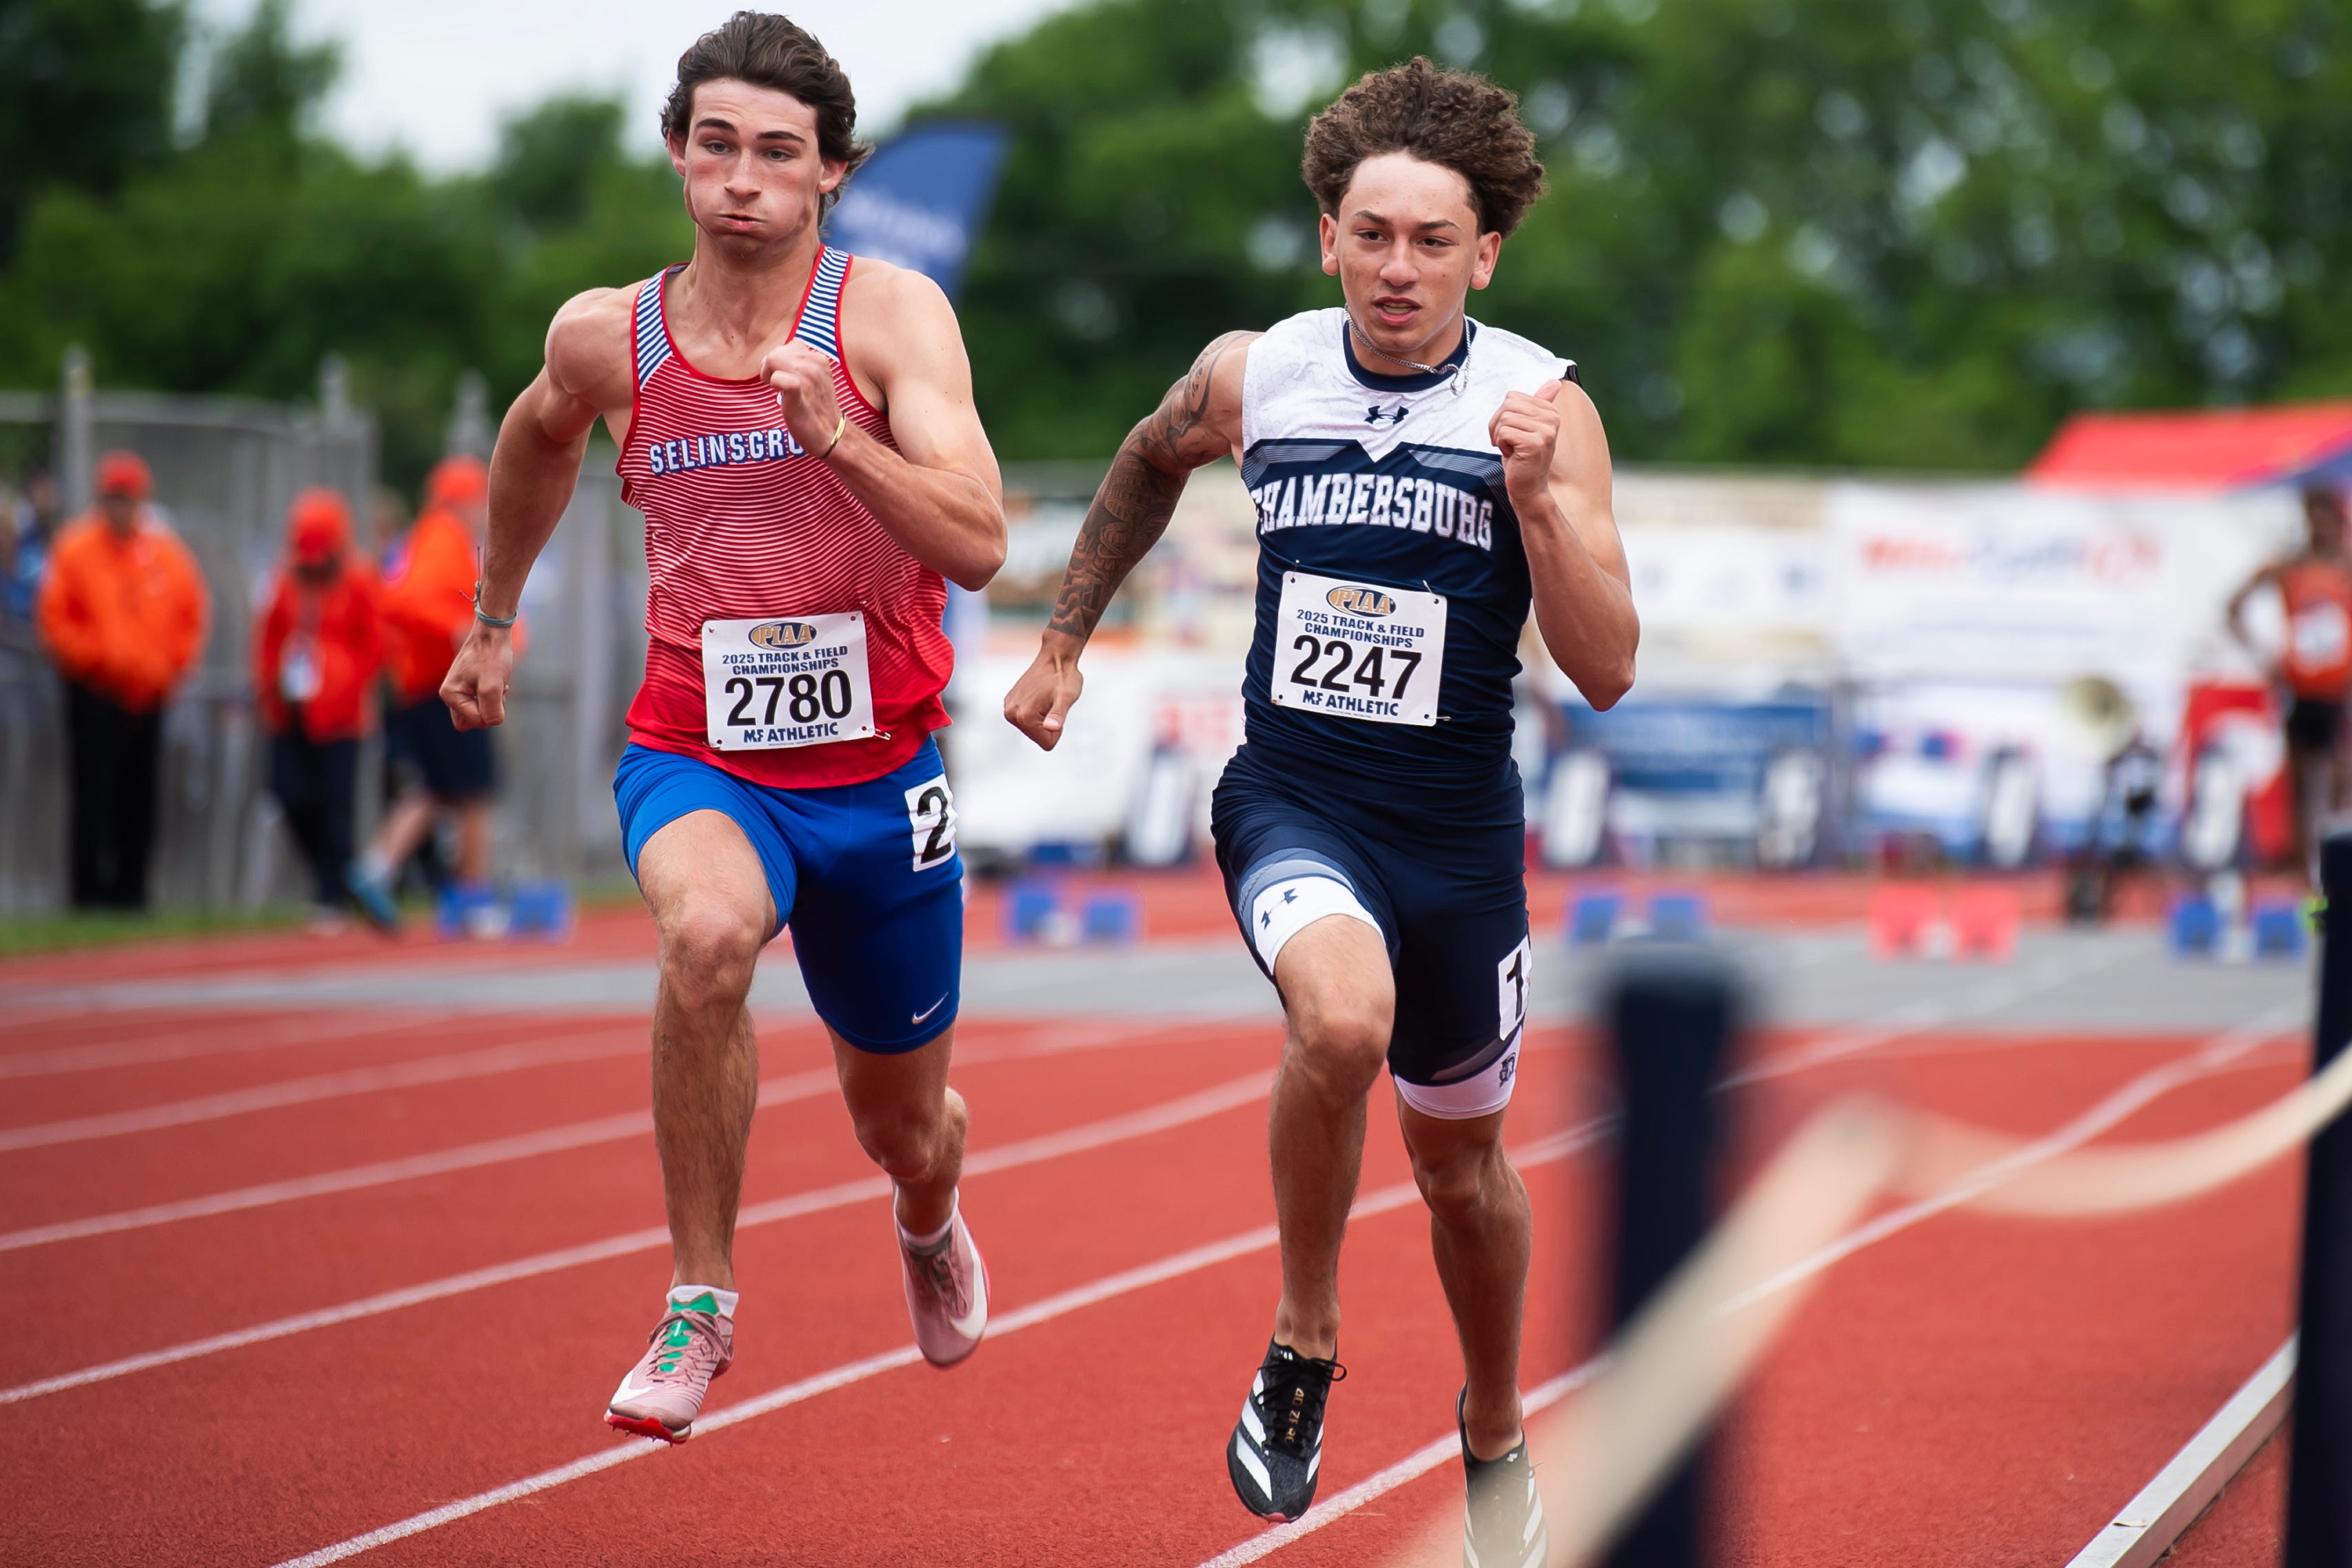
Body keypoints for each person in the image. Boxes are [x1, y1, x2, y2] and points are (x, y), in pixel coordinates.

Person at [1005, 58, 1638, 1566]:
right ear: (1326, 239)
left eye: (1432, 241)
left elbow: (1608, 669)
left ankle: (1494, 1424)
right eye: (1370, 235)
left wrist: (1539, 504)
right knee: (1340, 1024)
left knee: (1460, 1174)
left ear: (1485, 254)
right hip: (1295, 797)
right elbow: (1146, 458)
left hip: (1456, 839)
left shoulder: (1541, 406)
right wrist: (1063, 639)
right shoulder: (1259, 373)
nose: (1397, 268)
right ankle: (1303, 1337)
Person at [437, 12, 1007, 1443]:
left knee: (902, 1125)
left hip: (879, 777)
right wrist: (492, 617)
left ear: (830, 173)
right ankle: (699, 1300)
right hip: (697, 750)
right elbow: (535, 437)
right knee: (703, 940)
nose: (743, 179)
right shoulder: (607, 337)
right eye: (716, 146)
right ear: (677, 155)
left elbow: (981, 539)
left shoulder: (888, 319)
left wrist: (840, 438)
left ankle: (928, 1214)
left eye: (777, 154)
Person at [35, 450, 211, 910]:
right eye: (112, 498)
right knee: (93, 791)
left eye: (127, 498)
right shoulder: (75, 549)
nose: (119, 507)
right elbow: (55, 618)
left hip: (148, 693)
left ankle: (133, 892)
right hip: (94, 690)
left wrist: (169, 668)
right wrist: (94, 660)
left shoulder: (165, 555)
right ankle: (89, 893)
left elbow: (190, 615)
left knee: (140, 794)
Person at [352, 454, 512, 930]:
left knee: (435, 788)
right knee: (475, 793)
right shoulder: (443, 535)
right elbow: (406, 601)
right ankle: (472, 900)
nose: (484, 511)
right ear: (461, 501)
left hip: (422, 685)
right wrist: (459, 631)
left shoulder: (430, 536)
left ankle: (375, 868)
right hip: (441, 685)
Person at [253, 488, 386, 933]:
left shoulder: (361, 581)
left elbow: (374, 646)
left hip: (342, 717)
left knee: (336, 807)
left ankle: (333, 894)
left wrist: (342, 686)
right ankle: (339, 877)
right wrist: (270, 686)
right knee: (287, 793)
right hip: (290, 712)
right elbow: (268, 638)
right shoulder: (284, 582)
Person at [2227, 484, 2352, 879]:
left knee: (2341, 776)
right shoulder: (2290, 567)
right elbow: (2234, 607)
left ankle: (2334, 860)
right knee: (2299, 780)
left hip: (2341, 688)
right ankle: (2300, 864)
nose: (2323, 528)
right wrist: (2265, 658)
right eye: (2315, 518)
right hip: (2300, 687)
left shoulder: (2346, 568)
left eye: (2329, 519)